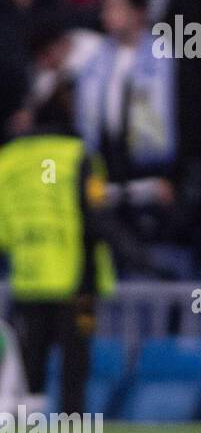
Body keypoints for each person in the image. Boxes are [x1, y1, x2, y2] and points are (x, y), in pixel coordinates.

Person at [0, 80, 116, 415]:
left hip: (29, 279)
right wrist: (141, 258)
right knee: (74, 367)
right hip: (77, 282)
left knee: (29, 369)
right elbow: (97, 219)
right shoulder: (78, 156)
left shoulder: (9, 160)